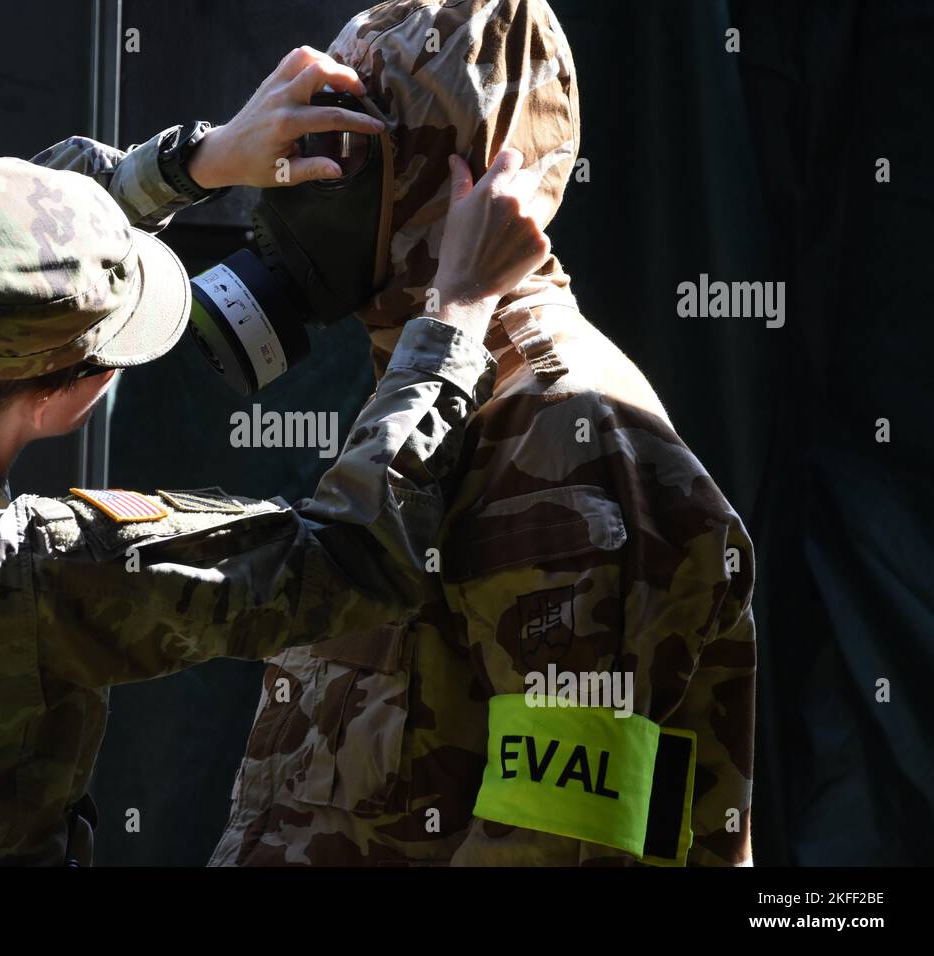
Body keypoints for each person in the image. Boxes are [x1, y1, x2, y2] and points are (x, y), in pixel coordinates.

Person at [0, 45, 551, 865]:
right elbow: (355, 558)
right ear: (68, 391)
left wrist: (202, 158)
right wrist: (459, 312)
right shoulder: (13, 578)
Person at [212, 0, 756, 868]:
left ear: (455, 184)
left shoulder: (566, 438)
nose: (295, 183)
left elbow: (568, 850)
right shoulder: (430, 390)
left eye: (337, 156)